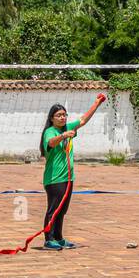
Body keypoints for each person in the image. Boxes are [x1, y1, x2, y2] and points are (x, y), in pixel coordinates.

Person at [39, 93, 106, 250]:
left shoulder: (68, 127)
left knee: (62, 210)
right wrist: (63, 136)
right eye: (58, 115)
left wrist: (96, 103)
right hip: (54, 179)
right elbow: (51, 142)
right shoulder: (51, 131)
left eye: (64, 115)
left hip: (68, 178)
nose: (62, 118)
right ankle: (49, 239)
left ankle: (59, 238)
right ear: (51, 118)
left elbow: (83, 120)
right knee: (53, 209)